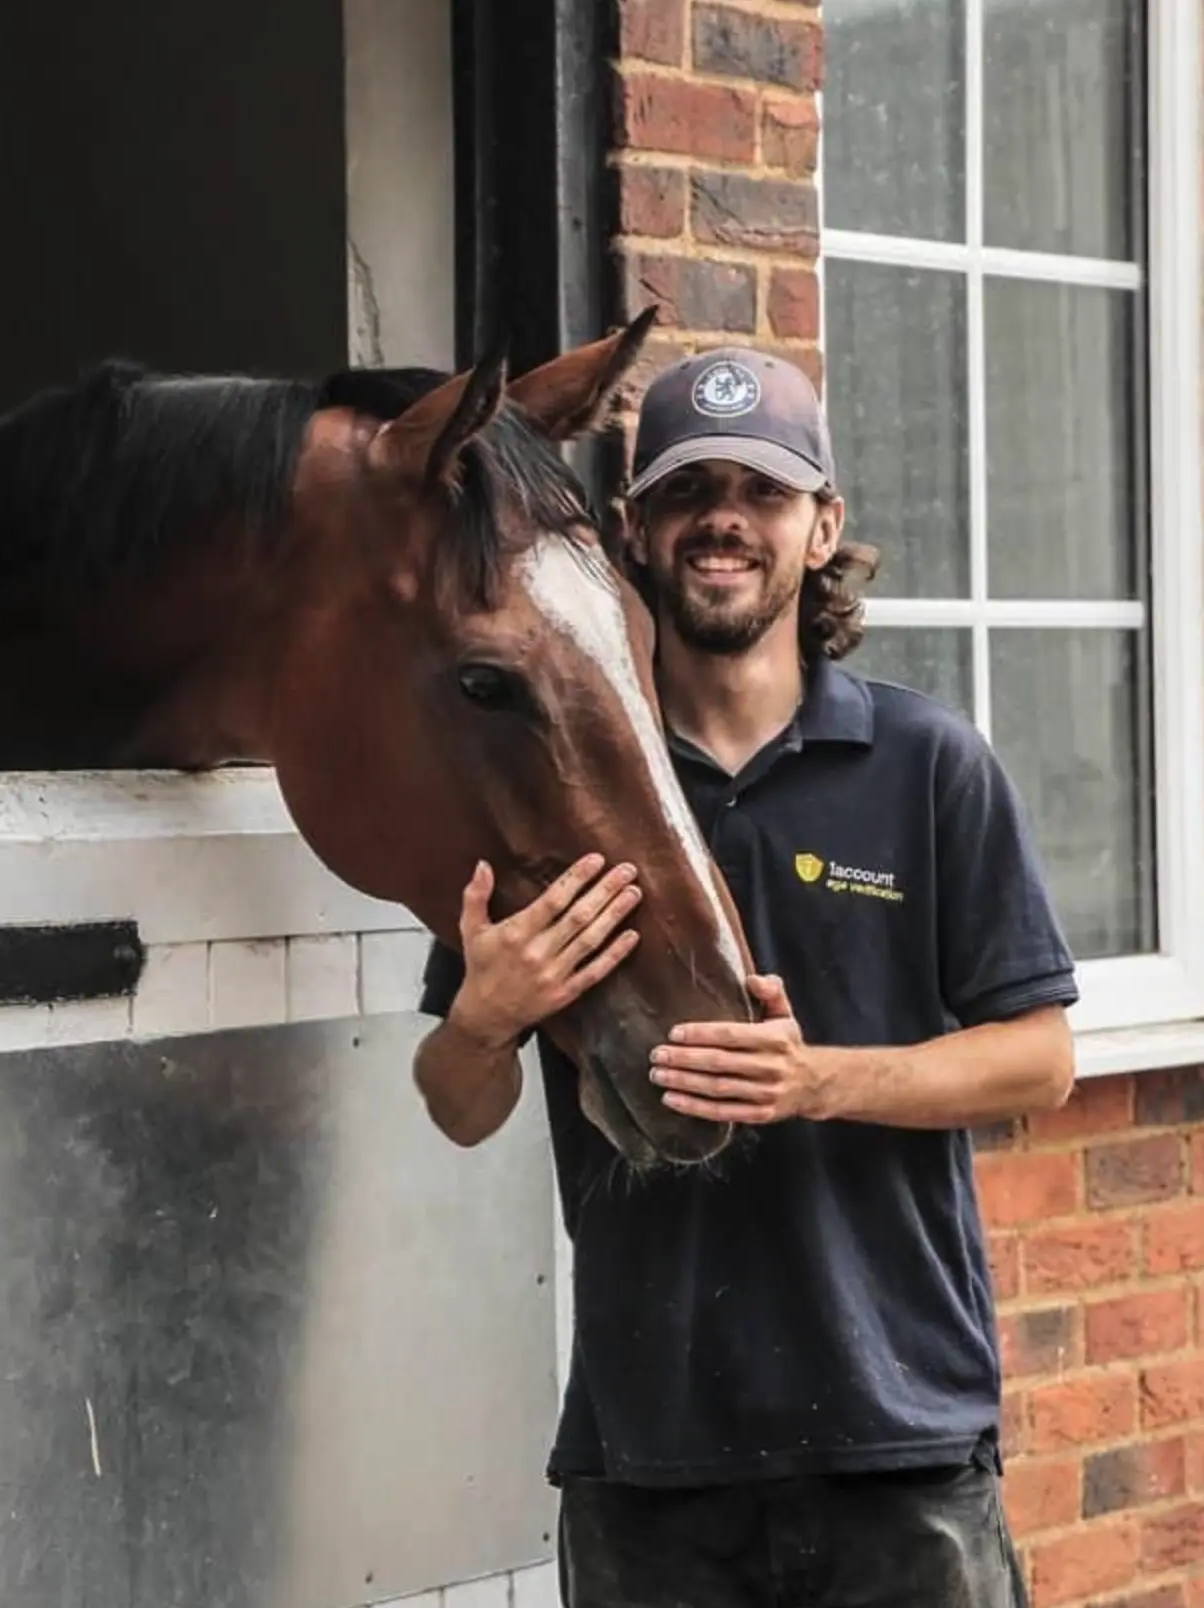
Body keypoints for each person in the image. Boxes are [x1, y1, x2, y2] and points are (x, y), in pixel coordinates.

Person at [413, 345, 1077, 1608]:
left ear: (822, 527)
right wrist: (483, 1023)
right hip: (651, 1461)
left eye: (763, 491)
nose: (725, 517)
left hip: (901, 1444)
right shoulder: (555, 777)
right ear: (634, 528)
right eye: (687, 489)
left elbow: (1040, 1059)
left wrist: (817, 1078)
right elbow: (454, 1103)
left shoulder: (928, 767)